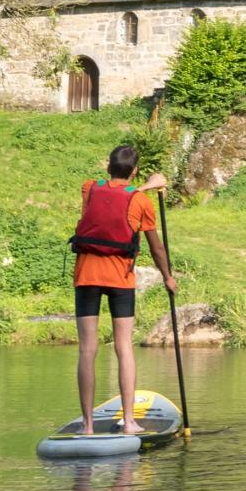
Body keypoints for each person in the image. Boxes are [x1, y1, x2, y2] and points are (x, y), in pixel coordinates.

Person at [70, 144, 176, 436]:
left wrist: (143, 186)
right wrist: (167, 276)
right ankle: (129, 421)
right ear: (135, 170)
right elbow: (156, 247)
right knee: (124, 347)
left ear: (108, 167)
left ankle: (88, 426)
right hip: (120, 279)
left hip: (87, 276)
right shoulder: (141, 202)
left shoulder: (89, 189)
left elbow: (113, 196)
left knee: (87, 350)